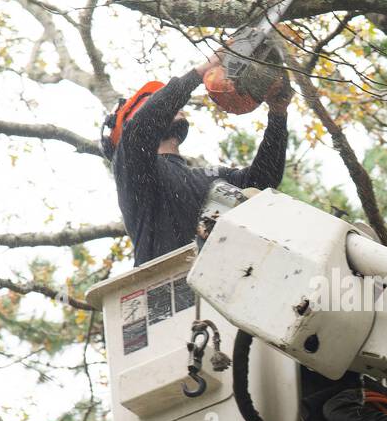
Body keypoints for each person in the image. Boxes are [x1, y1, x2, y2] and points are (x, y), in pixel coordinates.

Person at [101, 52, 291, 267]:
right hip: (167, 284)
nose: (175, 106)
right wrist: (203, 70)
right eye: (158, 100)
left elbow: (262, 181)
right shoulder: (134, 169)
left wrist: (278, 113)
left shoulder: (211, 177)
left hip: (219, 286)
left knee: (252, 195)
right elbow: (142, 128)